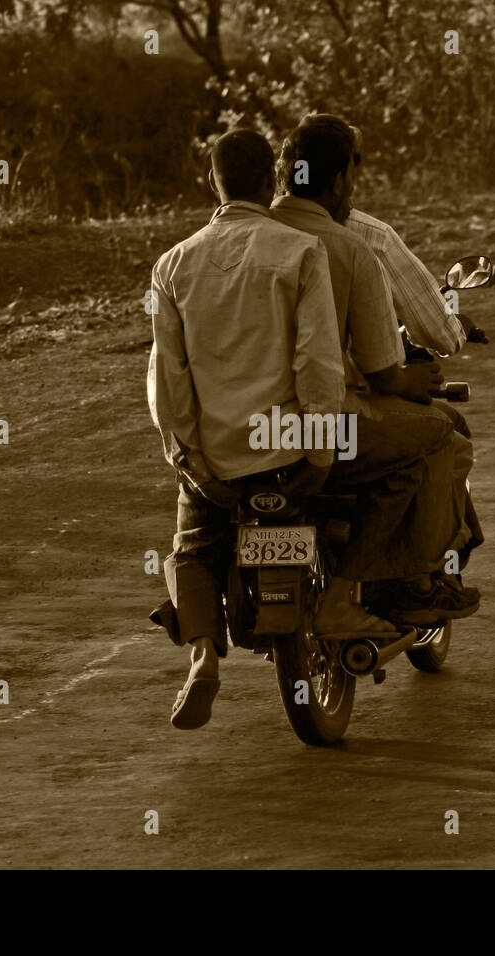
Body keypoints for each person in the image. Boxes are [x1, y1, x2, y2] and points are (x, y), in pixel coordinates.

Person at [148, 128, 346, 730]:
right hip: (286, 450)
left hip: (220, 458)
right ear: (271, 182)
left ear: (214, 182)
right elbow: (317, 360)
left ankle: (205, 654)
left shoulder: (173, 265)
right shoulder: (299, 251)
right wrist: (319, 445)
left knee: (193, 549)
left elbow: (169, 377)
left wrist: (188, 457)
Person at [270, 114, 481, 624]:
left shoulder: (220, 244)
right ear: (340, 179)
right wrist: (413, 374)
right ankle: (407, 580)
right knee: (438, 436)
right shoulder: (358, 244)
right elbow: (384, 369)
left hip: (234, 430)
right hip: (326, 423)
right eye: (353, 174)